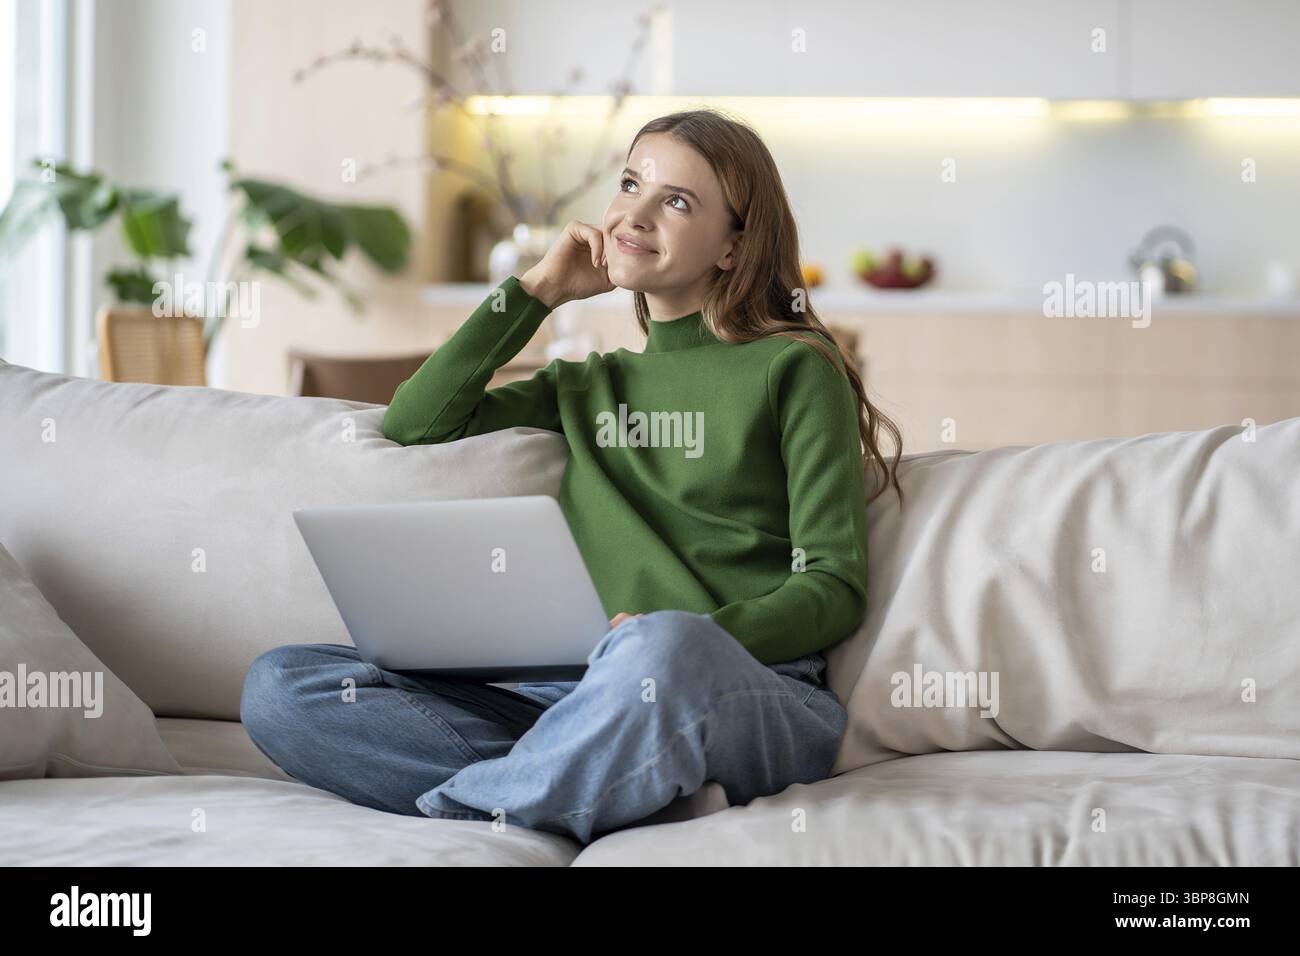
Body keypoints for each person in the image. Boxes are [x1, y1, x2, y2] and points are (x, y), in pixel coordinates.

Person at [240, 108, 903, 845]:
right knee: (281, 687)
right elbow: (414, 423)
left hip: (736, 688)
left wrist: (677, 636)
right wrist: (537, 292)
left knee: (662, 652)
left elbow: (833, 587)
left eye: (677, 202)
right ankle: (622, 788)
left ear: (733, 245)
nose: (636, 213)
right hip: (569, 697)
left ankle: (490, 806)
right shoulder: (586, 384)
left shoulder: (795, 367)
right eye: (630, 184)